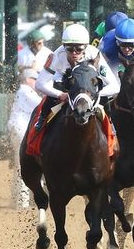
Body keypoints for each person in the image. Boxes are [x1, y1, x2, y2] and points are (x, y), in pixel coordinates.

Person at [33, 23, 120, 129]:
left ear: (86, 47)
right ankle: (41, 120)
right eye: (69, 49)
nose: (74, 53)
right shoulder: (56, 56)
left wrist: (96, 94)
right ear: (64, 46)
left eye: (79, 49)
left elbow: (115, 86)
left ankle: (111, 126)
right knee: (50, 99)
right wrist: (59, 94)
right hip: (64, 81)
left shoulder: (94, 54)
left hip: (88, 87)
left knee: (105, 101)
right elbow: (39, 84)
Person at [7, 68, 42, 209]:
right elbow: (41, 104)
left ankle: (16, 199)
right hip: (20, 130)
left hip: (19, 130)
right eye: (34, 79)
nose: (36, 82)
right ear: (28, 80)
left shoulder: (24, 91)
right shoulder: (25, 91)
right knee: (22, 165)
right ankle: (22, 201)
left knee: (19, 165)